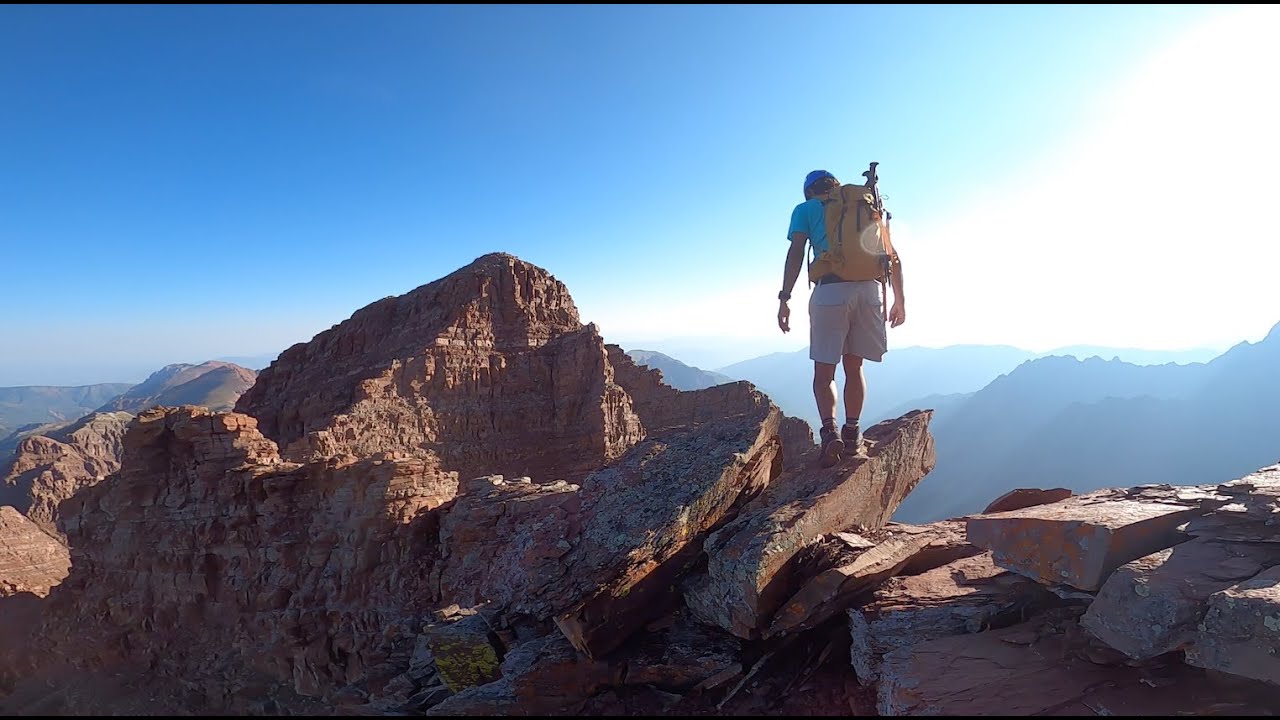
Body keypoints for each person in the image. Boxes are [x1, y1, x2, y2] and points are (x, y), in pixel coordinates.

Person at [777, 169, 906, 467]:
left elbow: (796, 252)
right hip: (870, 291)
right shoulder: (864, 206)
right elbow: (892, 255)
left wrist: (785, 298)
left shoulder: (806, 209)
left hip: (830, 291)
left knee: (824, 375)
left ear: (808, 191)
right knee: (854, 366)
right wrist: (899, 300)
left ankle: (830, 432)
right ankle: (853, 435)